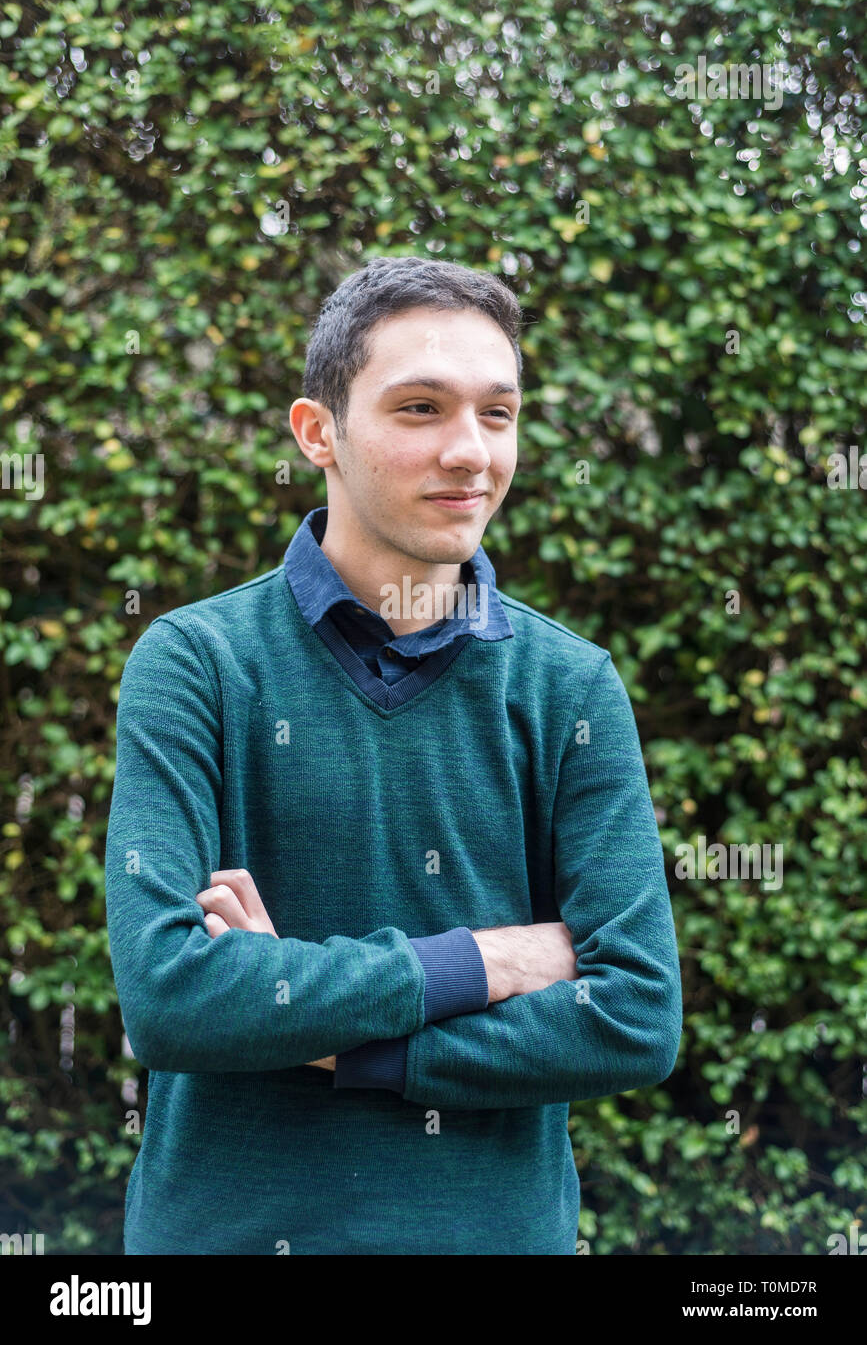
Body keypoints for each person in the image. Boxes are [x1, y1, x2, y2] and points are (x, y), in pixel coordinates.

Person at [104, 254, 682, 1255]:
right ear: (316, 431)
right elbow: (170, 997)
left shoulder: (570, 689)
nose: (472, 453)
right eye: (420, 408)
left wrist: (309, 1019)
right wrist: (490, 959)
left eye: (497, 415)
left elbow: (633, 1016)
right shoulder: (193, 664)